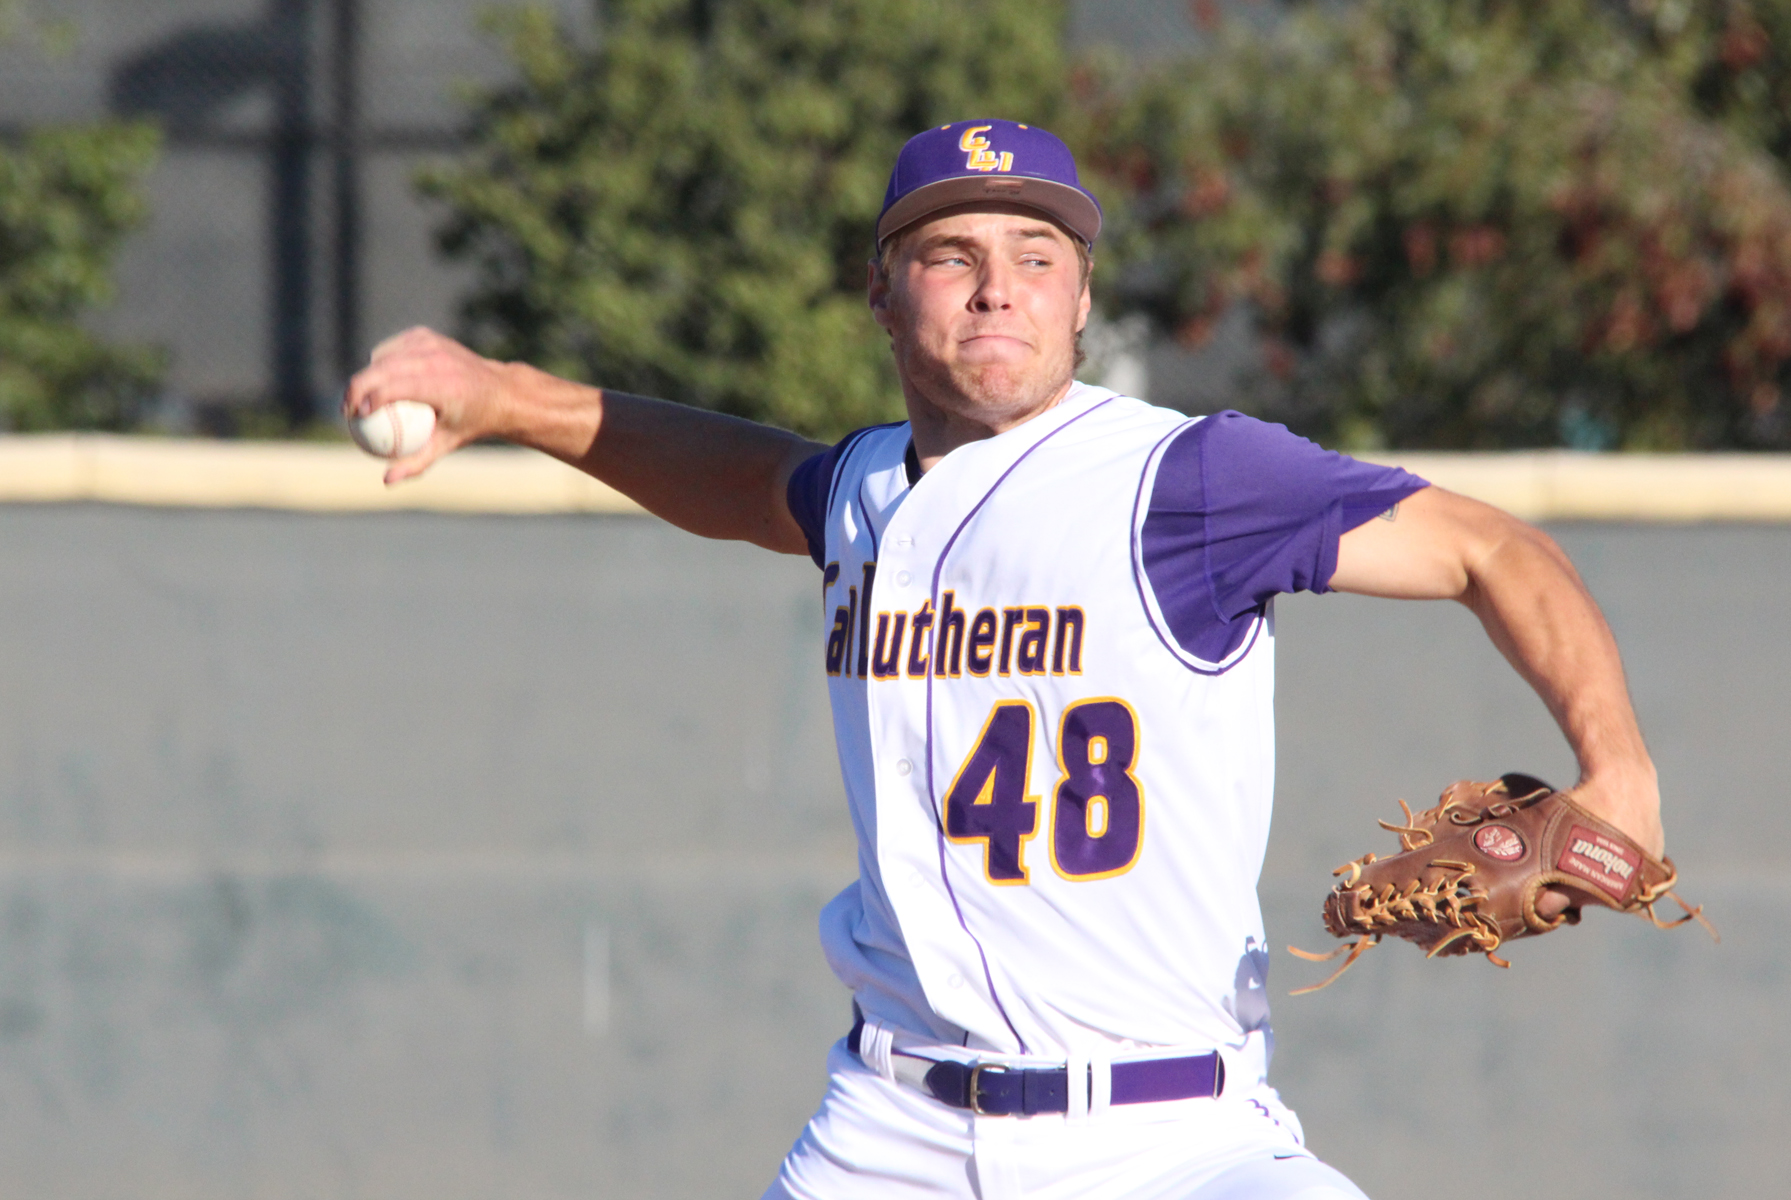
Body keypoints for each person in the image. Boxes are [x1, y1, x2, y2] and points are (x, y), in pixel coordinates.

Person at [345, 120, 1663, 1199]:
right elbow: (746, 479)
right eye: (951, 253)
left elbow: (1492, 549)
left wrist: (1618, 771)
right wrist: (510, 396)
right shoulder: (862, 491)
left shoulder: (1183, 479)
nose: (997, 285)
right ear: (880, 291)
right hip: (891, 1132)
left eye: (1038, 255)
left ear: (1081, 298)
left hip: (1172, 1137)